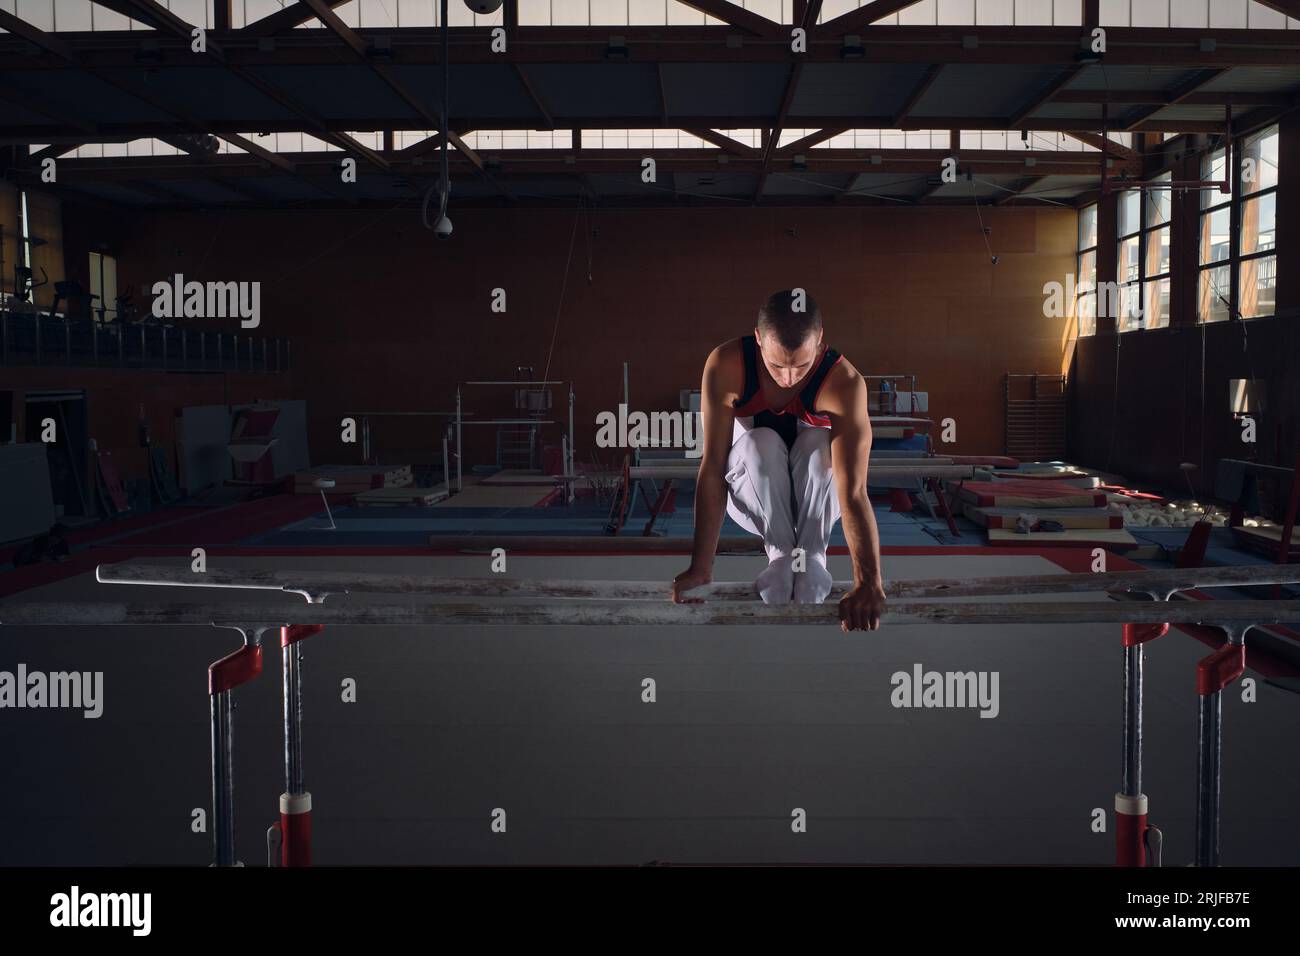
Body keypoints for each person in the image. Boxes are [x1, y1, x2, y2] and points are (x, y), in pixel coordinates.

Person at [671, 290, 886, 632]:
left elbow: (854, 490)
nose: (788, 378)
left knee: (819, 445)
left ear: (820, 341)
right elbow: (712, 467)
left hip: (814, 503)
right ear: (758, 339)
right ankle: (783, 553)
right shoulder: (726, 364)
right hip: (753, 490)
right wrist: (701, 566)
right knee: (761, 442)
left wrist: (869, 582)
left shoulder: (845, 382)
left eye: (801, 366)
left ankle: (811, 556)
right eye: (775, 366)